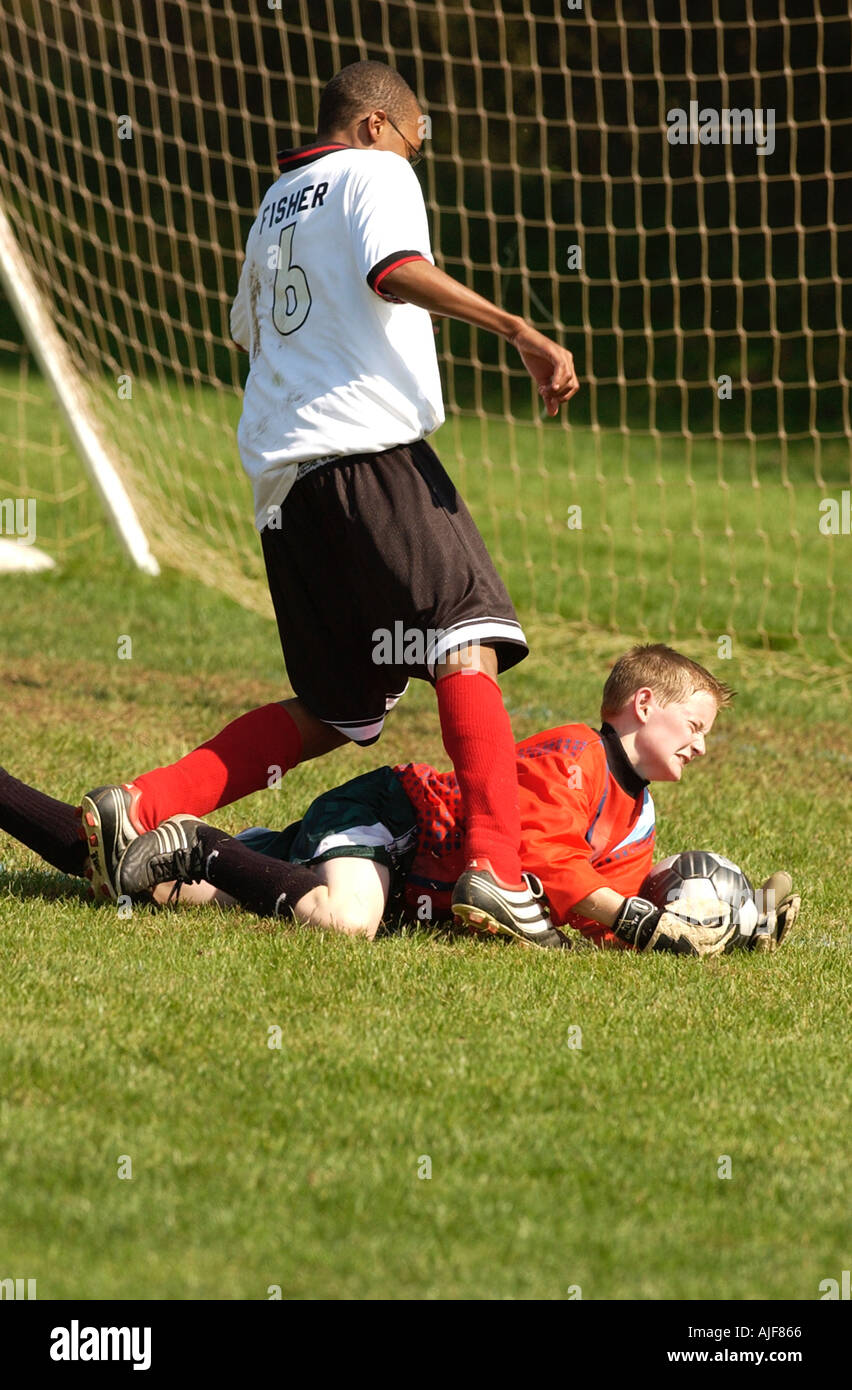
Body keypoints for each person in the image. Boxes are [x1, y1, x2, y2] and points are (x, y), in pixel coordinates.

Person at [79, 60, 579, 944]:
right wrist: (521, 332)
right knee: (467, 641)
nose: (417, 161)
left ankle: (140, 804)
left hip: (285, 485)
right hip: (367, 459)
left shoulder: (277, 202)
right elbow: (394, 271)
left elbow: (247, 328)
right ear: (377, 124)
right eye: (417, 142)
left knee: (340, 704)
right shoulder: (373, 171)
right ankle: (495, 869)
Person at [5, 646, 798, 955]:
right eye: (693, 725)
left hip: (405, 875)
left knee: (126, 874)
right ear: (645, 704)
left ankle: (188, 850)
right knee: (343, 921)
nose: (700, 743)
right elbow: (552, 871)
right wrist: (646, 919)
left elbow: (596, 912)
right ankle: (201, 841)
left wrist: (730, 919)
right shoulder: (576, 758)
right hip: (395, 818)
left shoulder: (642, 815)